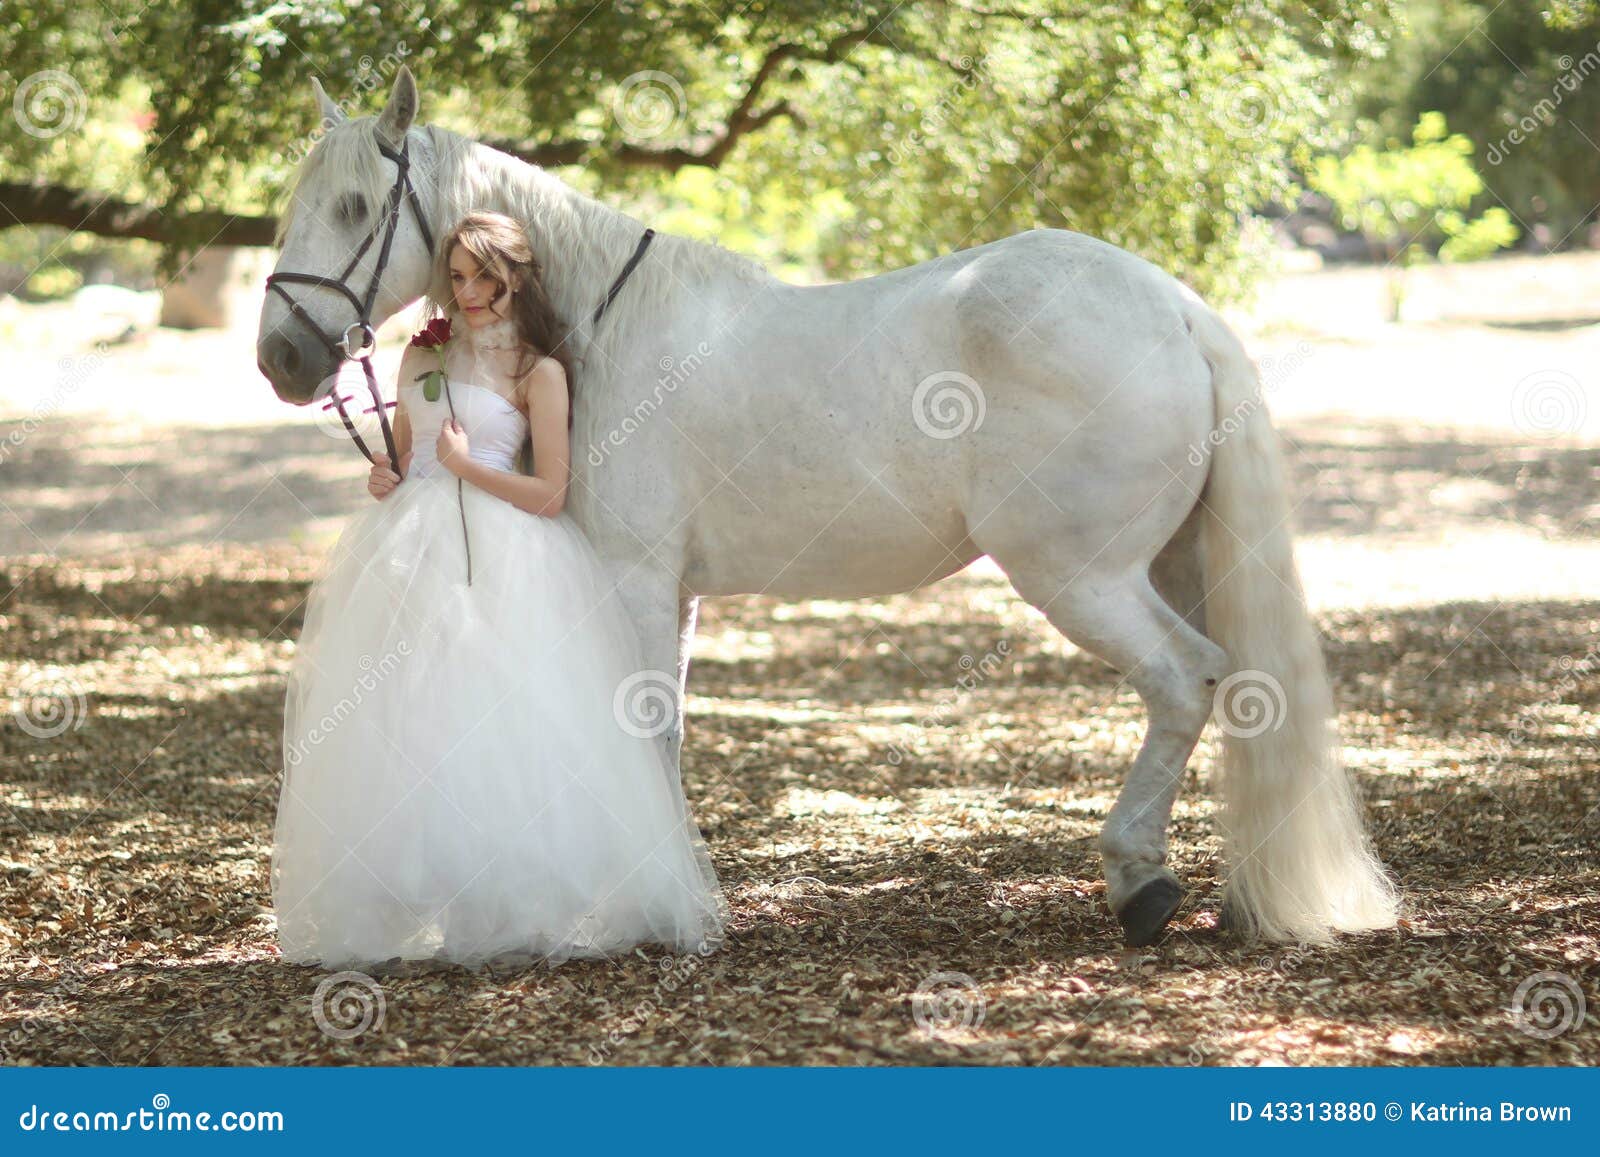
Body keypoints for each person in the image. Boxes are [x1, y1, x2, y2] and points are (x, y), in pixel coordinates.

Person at [271, 210, 728, 971]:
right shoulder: (423, 356)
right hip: (405, 553)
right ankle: (413, 889)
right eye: (457, 277)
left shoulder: (538, 372)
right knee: (405, 720)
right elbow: (407, 455)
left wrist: (466, 466)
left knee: (495, 721)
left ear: (517, 277)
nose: (471, 292)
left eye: (486, 276)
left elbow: (550, 491)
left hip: (507, 553)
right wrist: (385, 474)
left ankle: (508, 905)